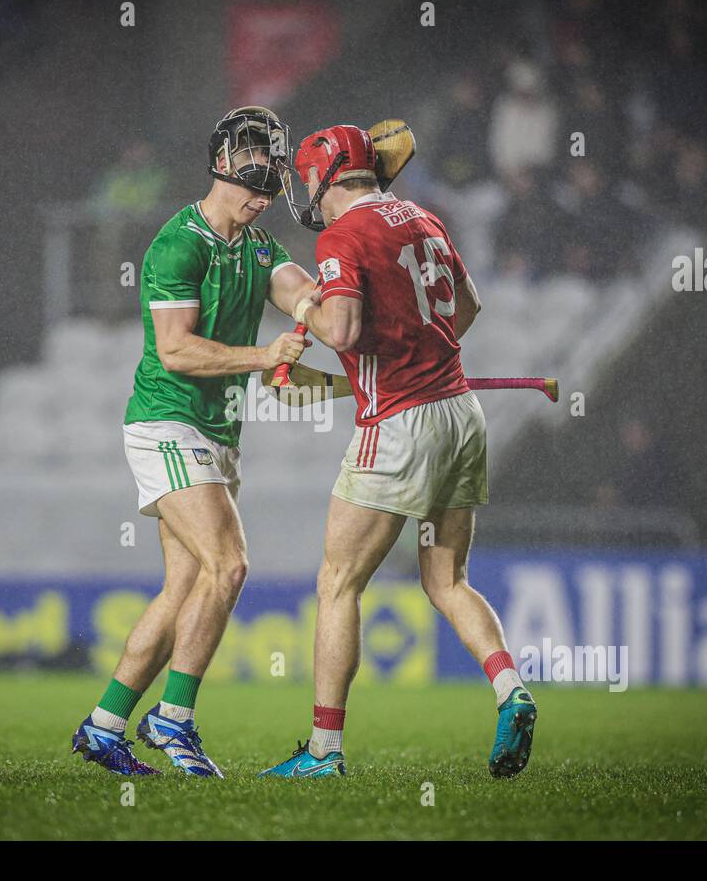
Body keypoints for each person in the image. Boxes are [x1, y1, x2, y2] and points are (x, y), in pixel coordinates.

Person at [259, 125, 536, 778]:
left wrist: (303, 305)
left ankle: (325, 752)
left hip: (399, 424)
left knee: (338, 582)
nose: (305, 192)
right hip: (461, 416)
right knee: (446, 580)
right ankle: (510, 690)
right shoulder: (422, 217)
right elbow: (466, 308)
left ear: (326, 178)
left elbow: (345, 329)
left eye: (306, 179)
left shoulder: (341, 236)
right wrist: (411, 338)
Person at [70, 107, 319, 776]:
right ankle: (173, 719)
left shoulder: (261, 246)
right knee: (230, 565)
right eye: (251, 182)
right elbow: (177, 349)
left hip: (214, 432)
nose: (260, 198)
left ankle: (102, 727)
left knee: (185, 587)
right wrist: (266, 356)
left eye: (270, 186)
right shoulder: (179, 243)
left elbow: (305, 295)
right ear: (219, 168)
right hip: (167, 423)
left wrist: (338, 315)